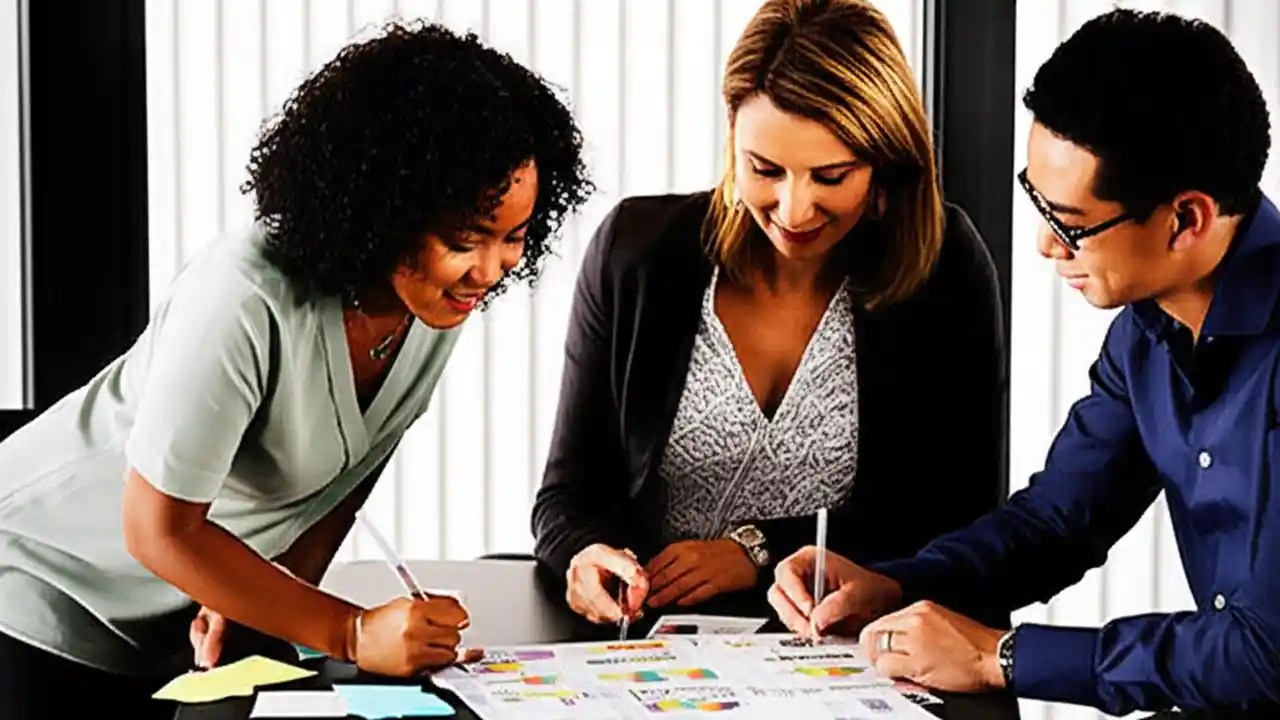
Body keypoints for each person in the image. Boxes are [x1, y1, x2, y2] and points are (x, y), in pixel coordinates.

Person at [0, 20, 591, 719]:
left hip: (169, 621)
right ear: (385, 210)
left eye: (514, 237)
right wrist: (348, 629)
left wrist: (268, 602)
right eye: (465, 240)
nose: (490, 271)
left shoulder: (431, 303)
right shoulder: (243, 295)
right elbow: (156, 529)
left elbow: (343, 479)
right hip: (39, 586)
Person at [768, 8, 1280, 715]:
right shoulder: (1147, 331)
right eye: (1035, 198)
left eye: (1071, 223)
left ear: (1186, 219)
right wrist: (897, 584)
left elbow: (1265, 655)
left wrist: (995, 657)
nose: (1044, 244)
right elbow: (1059, 519)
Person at [532, 0, 1004, 631]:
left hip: (852, 647)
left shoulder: (944, 267)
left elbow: (956, 515)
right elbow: (566, 497)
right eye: (765, 169)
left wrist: (754, 552)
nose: (793, 207)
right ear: (733, 139)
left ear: (885, 164)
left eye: (831, 176)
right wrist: (582, 557)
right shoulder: (637, 253)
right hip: (650, 649)